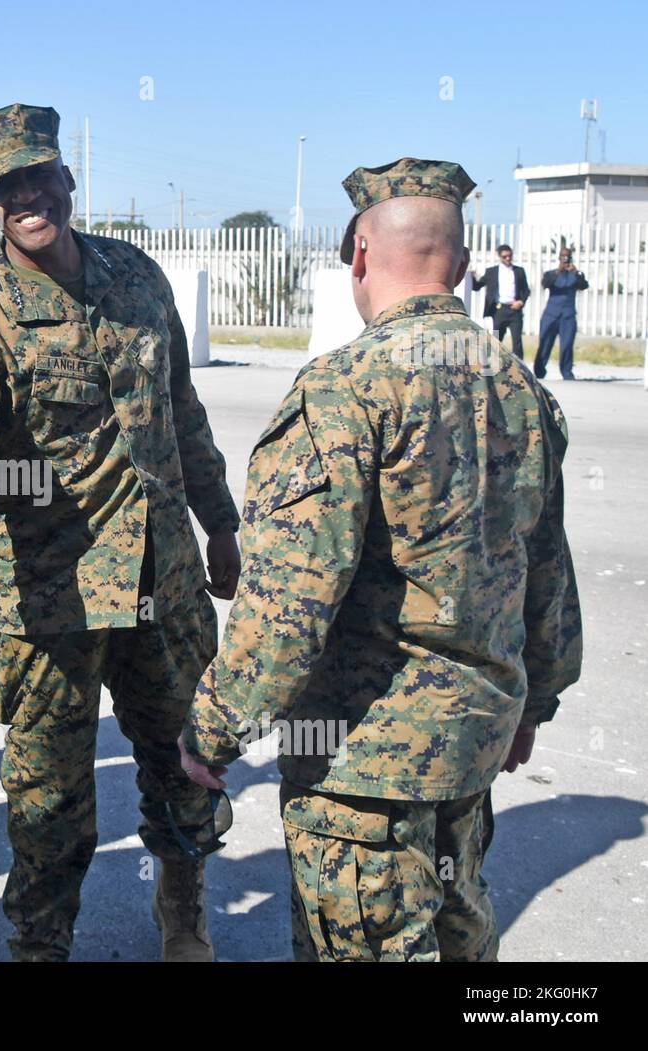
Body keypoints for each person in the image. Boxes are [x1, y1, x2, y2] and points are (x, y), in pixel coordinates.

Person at [179, 157, 583, 962]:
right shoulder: (521, 388)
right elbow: (547, 574)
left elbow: (290, 604)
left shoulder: (344, 390)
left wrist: (214, 729)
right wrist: (536, 702)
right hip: (473, 746)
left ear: (356, 255)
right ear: (463, 268)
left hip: (361, 771)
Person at [0, 104, 242, 962]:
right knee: (48, 806)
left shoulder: (139, 280)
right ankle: (41, 947)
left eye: (39, 177)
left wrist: (220, 522)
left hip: (164, 586)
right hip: (51, 603)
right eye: (8, 186)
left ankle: (183, 907)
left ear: (67, 180)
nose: (28, 197)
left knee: (187, 768)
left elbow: (181, 412)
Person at [535, 248, 589, 380]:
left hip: (568, 315)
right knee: (545, 343)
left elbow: (584, 286)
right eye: (563, 257)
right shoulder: (551, 274)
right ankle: (539, 371)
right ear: (559, 258)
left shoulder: (576, 274)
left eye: (568, 257)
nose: (565, 259)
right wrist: (559, 270)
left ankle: (566, 372)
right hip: (551, 314)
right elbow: (545, 284)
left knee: (567, 344)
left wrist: (575, 272)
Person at [471, 244, 529, 357]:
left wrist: (521, 302)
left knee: (517, 341)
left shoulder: (519, 271)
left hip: (515, 310)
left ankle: (519, 369)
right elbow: (477, 286)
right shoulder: (491, 272)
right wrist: (471, 276)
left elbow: (526, 290)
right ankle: (493, 366)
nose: (508, 258)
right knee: (496, 339)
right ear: (500, 257)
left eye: (510, 256)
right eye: (504, 256)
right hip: (499, 310)